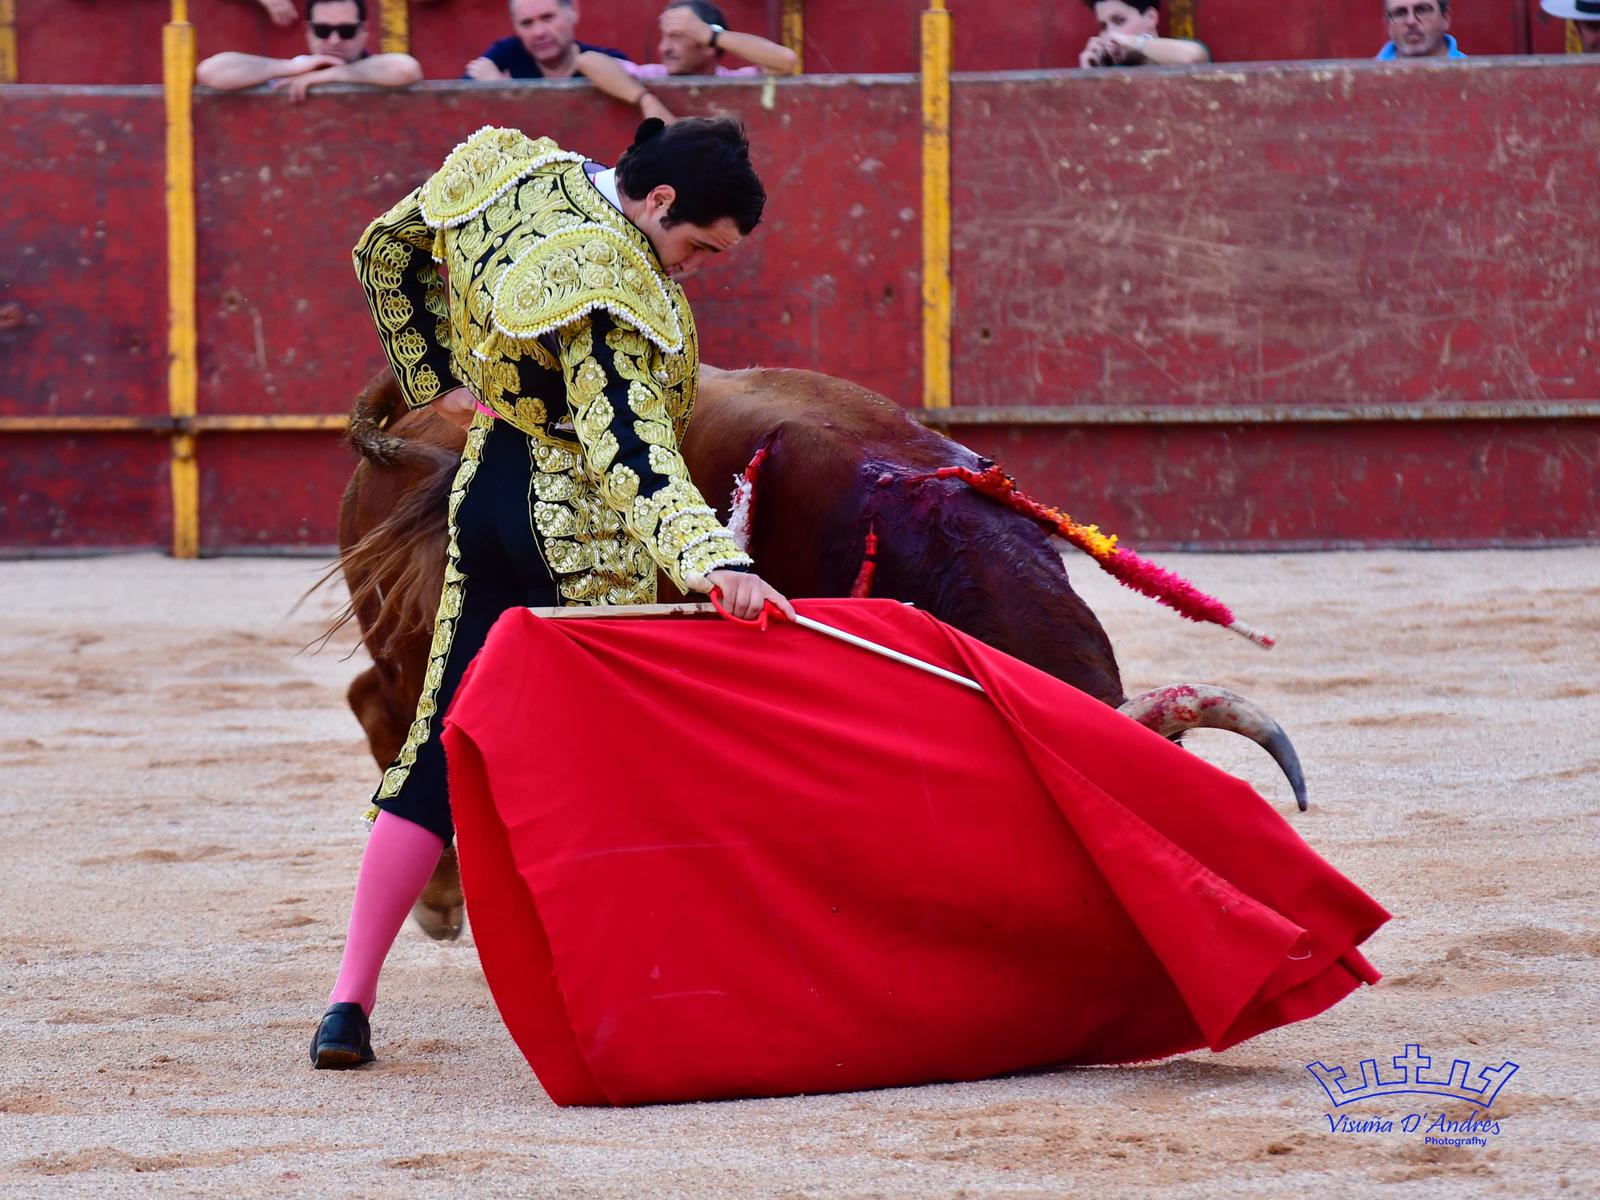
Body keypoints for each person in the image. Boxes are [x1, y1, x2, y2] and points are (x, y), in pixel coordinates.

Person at [310, 117, 795, 1069]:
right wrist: (713, 562)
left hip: (485, 488)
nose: (695, 268)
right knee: (621, 760)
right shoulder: (609, 282)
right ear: (657, 202)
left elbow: (385, 250)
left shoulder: (516, 169)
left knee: (438, 748)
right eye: (697, 245)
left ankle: (347, 1004)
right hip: (573, 529)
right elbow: (630, 452)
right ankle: (636, 995)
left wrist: (441, 383)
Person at [577, 1, 798, 121]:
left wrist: (711, 35)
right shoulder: (650, 77)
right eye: (664, 37)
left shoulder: (737, 80)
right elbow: (587, 61)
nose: (664, 48)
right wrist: (646, 100)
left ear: (708, 47)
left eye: (677, 37)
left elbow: (786, 60)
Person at [196, 0, 422, 100]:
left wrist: (331, 75)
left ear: (363, 31)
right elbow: (211, 72)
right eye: (323, 30)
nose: (334, 40)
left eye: (346, 30)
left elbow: (406, 69)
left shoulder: (378, 68)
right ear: (309, 31)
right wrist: (289, 67)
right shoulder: (294, 69)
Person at [465, 0, 629, 81]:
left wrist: (504, 92)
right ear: (514, 25)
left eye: (548, 17)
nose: (538, 32)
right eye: (526, 23)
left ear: (574, 12)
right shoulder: (506, 55)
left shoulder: (610, 63)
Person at [1078, 0, 1211, 68]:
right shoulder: (1109, 68)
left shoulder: (1182, 48)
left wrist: (1131, 42)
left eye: (1119, 21)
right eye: (1103, 26)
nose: (1109, 35)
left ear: (1150, 18)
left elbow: (1192, 56)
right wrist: (1090, 75)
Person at [1375, 0, 1467, 58]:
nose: (1411, 21)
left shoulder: (1474, 76)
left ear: (1446, 18)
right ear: (1387, 23)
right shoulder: (1363, 82)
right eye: (1400, 13)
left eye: (1422, 10)